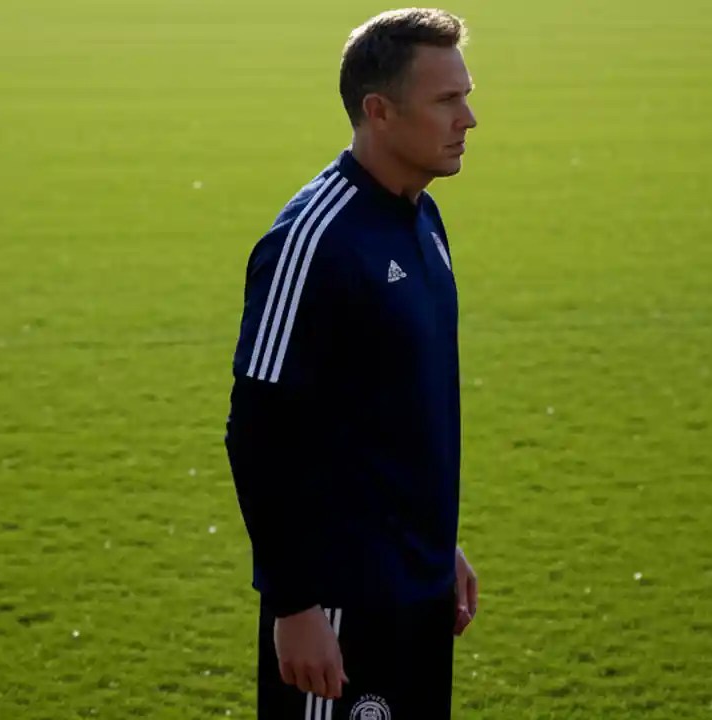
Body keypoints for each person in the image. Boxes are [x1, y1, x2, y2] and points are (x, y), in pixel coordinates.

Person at [224, 8, 479, 719]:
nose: (470, 118)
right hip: (339, 603)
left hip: (418, 588)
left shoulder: (423, 219)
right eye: (447, 100)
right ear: (379, 111)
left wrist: (437, 542)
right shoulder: (313, 242)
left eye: (466, 94)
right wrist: (295, 602)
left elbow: (394, 412)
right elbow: (258, 433)